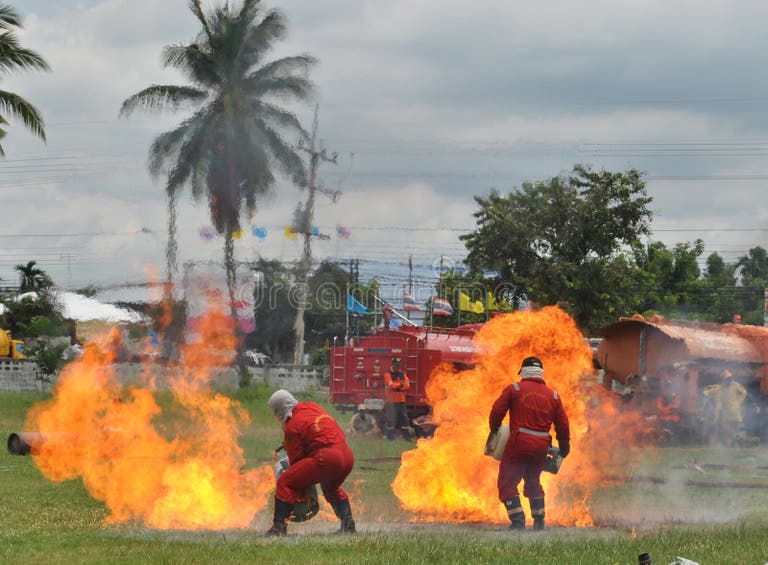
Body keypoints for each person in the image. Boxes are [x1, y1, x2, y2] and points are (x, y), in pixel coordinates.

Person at [488, 356, 570, 531]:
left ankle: (518, 522)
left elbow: (496, 411)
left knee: (507, 483)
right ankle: (539, 521)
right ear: (541, 373)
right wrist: (564, 447)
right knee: (533, 481)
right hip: (542, 446)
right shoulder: (554, 396)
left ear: (523, 371)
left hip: (519, 444)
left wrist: (494, 429)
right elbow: (563, 425)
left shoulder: (515, 389)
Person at [265, 389, 356, 536]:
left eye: (275, 411)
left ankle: (278, 528)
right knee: (330, 487)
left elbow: (297, 461)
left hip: (327, 458)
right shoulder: (312, 406)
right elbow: (314, 430)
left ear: (280, 408)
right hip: (347, 456)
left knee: (285, 482)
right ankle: (349, 526)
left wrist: (301, 493)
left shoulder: (291, 426)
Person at [702, 370, 747, 446]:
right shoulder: (720, 387)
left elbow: (744, 393)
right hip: (724, 414)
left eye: (729, 378)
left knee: (734, 429)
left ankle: (736, 443)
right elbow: (708, 391)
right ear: (723, 379)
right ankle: (728, 443)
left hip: (734, 413)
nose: (728, 380)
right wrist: (705, 394)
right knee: (726, 430)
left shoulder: (735, 385)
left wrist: (738, 402)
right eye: (726, 379)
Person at [383, 357, 413, 441]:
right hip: (391, 401)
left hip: (401, 400)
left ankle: (407, 437)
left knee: (404, 419)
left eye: (399, 365)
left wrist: (397, 386)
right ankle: (390, 437)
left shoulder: (402, 374)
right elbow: (391, 385)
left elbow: (407, 386)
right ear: (392, 364)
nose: (397, 367)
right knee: (391, 419)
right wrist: (400, 385)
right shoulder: (387, 374)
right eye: (396, 365)